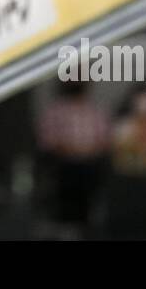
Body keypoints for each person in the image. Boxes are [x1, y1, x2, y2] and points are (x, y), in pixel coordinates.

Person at [35, 81, 112, 234]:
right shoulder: (55, 110)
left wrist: (88, 151)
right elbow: (47, 141)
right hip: (64, 168)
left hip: (92, 167)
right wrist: (70, 150)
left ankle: (87, 226)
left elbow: (105, 139)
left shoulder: (95, 109)